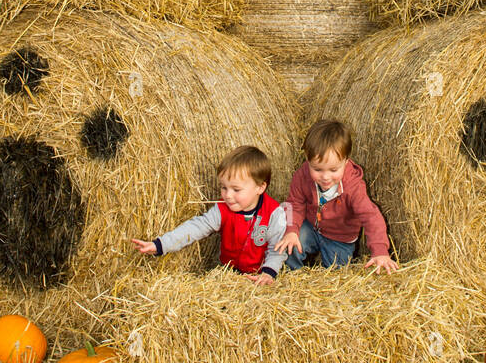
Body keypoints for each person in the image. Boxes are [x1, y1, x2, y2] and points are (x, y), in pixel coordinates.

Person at [130, 144, 286, 284]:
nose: (228, 195)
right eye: (224, 187)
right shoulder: (222, 209)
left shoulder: (273, 214)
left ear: (260, 187)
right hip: (228, 276)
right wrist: (160, 245)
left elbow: (276, 249)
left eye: (236, 189)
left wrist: (268, 273)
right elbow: (195, 228)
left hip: (258, 279)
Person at [277, 119, 398, 274]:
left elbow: (370, 216)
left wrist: (380, 251)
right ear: (307, 160)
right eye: (318, 169)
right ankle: (292, 275)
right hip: (311, 228)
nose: (326, 177)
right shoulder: (303, 176)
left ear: (346, 161)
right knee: (290, 245)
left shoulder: (353, 187)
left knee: (336, 274)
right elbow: (294, 204)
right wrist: (291, 231)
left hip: (340, 238)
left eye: (333, 170)